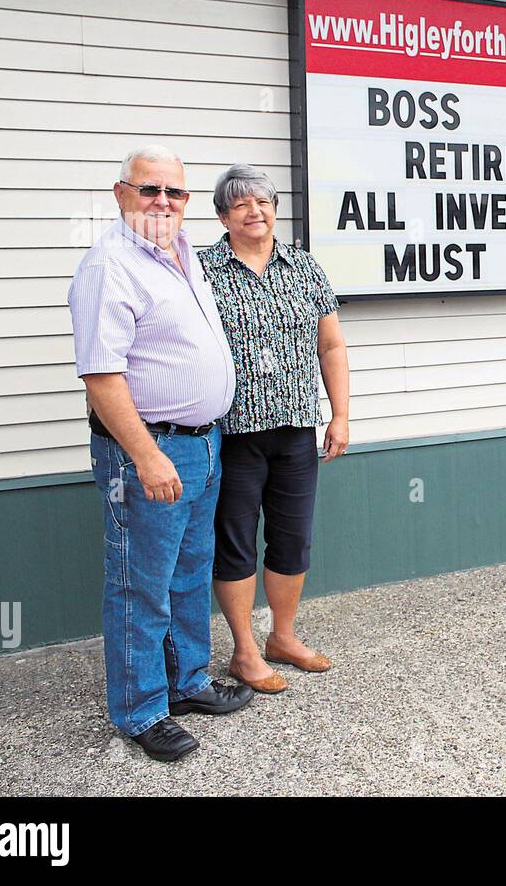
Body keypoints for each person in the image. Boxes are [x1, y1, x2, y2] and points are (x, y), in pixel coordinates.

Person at [68, 145, 254, 763]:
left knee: (189, 572)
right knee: (138, 584)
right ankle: (142, 709)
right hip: (147, 452)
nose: (163, 202)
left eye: (174, 192)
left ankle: (188, 681)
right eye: (150, 190)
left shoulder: (182, 256)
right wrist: (147, 456)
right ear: (122, 194)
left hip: (202, 444)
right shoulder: (110, 266)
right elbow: (102, 377)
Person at [197, 164, 349, 694]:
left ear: (275, 209)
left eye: (262, 201)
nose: (253, 211)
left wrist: (341, 414)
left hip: (295, 432)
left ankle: (282, 636)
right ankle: (243, 651)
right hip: (233, 434)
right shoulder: (200, 271)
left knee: (291, 541)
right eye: (240, 204)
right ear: (223, 216)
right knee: (236, 543)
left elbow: (330, 346)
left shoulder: (305, 269)